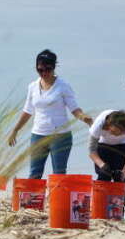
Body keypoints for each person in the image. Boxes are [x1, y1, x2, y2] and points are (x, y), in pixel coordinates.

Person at [8, 49, 92, 177]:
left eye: (48, 69)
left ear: (54, 67)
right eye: (40, 70)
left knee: (59, 174)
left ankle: (57, 192)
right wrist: (15, 130)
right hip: (38, 134)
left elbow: (74, 109)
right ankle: (34, 192)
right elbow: (27, 111)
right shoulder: (32, 86)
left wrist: (85, 118)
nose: (44, 73)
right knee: (34, 173)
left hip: (60, 135)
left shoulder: (63, 86)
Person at [88, 109, 125, 182]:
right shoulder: (98, 125)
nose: (114, 135)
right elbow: (91, 150)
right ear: (109, 125)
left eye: (119, 133)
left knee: (120, 177)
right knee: (104, 174)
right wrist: (102, 165)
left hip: (122, 145)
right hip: (103, 144)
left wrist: (124, 173)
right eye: (113, 131)